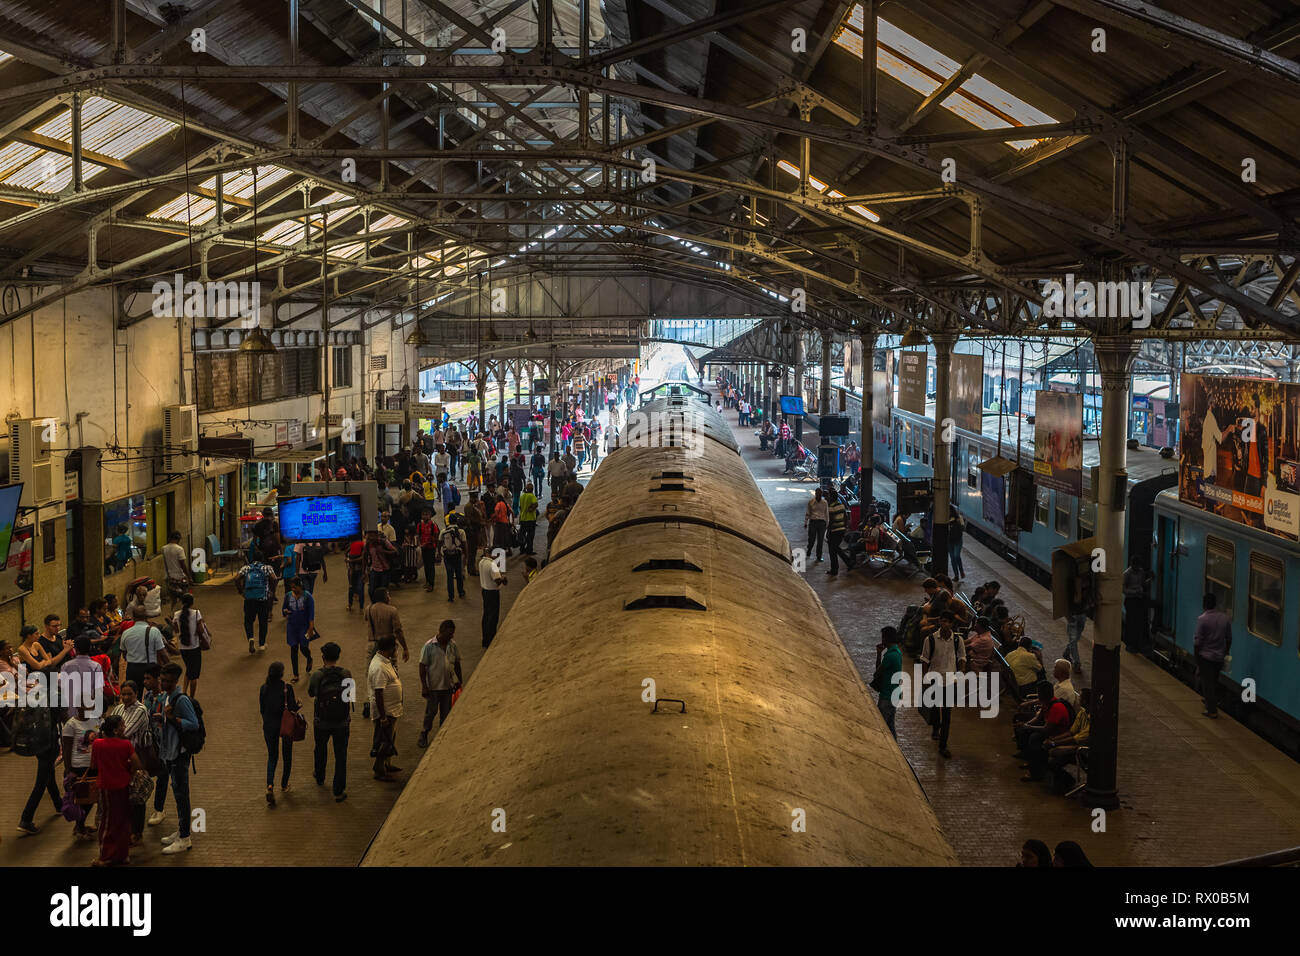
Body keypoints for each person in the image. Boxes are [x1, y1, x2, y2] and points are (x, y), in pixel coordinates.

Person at [147, 663, 199, 855]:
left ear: (176, 681)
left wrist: (174, 719)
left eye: (168, 681)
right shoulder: (166, 696)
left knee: (181, 795)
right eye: (163, 680)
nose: (165, 684)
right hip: (169, 752)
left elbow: (193, 723)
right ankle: (181, 831)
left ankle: (185, 838)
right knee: (177, 794)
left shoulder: (181, 700)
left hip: (179, 753)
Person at [88, 713, 142, 866]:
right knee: (123, 820)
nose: (125, 727)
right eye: (123, 725)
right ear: (117, 730)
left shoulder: (98, 744)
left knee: (107, 821)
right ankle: (122, 855)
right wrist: (127, 769)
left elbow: (93, 766)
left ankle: (106, 856)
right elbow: (137, 764)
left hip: (106, 787)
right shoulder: (126, 745)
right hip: (123, 786)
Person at [108, 680, 151, 845]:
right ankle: (126, 828)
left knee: (136, 795)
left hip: (135, 758)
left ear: (136, 694)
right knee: (123, 796)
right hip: (119, 759)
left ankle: (137, 831)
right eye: (123, 694)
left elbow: (126, 732)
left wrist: (112, 733)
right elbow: (109, 727)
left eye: (129, 694)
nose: (125, 697)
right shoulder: (118, 708)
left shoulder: (141, 710)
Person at [308, 642, 352, 802]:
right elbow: (350, 697)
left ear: (323, 657)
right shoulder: (346, 673)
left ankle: (320, 775)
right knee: (341, 756)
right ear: (338, 656)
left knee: (320, 748)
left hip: (322, 721)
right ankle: (338, 791)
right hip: (342, 722)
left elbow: (311, 693)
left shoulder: (317, 675)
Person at [919, 612, 965, 759]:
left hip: (950, 682)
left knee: (947, 714)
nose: (944, 624)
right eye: (942, 621)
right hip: (934, 679)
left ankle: (943, 745)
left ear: (952, 623)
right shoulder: (930, 639)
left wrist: (961, 673)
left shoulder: (957, 640)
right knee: (934, 708)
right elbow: (925, 659)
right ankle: (935, 727)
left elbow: (962, 657)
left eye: (947, 622)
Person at [258, 661, 301, 806]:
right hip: (286, 726)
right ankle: (284, 784)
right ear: (281, 674)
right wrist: (298, 705)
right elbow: (292, 708)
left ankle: (270, 786)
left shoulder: (264, 688)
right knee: (287, 756)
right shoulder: (287, 688)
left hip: (269, 726)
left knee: (272, 757)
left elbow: (262, 709)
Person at [418, 620, 464, 748]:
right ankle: (424, 734)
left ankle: (442, 737)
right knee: (431, 712)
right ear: (441, 631)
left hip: (448, 687)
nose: (451, 636)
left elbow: (457, 664)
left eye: (452, 634)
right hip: (434, 688)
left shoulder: (452, 645)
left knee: (446, 713)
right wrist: (424, 685)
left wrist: (459, 681)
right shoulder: (429, 646)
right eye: (449, 634)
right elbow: (422, 666)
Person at [62, 703, 102, 840]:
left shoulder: (96, 721)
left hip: (93, 766)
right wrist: (68, 770)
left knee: (91, 798)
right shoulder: (71, 725)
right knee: (82, 798)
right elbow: (66, 749)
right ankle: (79, 827)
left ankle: (81, 825)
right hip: (78, 767)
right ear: (78, 707)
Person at [367, 636, 403, 781]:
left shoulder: (384, 662)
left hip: (391, 709)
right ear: (390, 649)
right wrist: (382, 717)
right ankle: (379, 768)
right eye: (395, 648)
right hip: (386, 712)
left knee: (390, 738)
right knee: (384, 741)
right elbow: (378, 692)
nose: (396, 650)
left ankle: (387, 764)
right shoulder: (379, 667)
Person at [1193, 591, 1232, 718]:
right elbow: (1229, 638)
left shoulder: (1202, 619)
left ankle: (1212, 710)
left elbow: (1198, 642)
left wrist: (1197, 657)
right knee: (1214, 681)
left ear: (1204, 604)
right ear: (1215, 604)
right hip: (1219, 657)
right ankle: (1210, 700)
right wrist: (1226, 651)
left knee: (1207, 683)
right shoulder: (1224, 618)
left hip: (1206, 657)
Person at [236, 551, 278, 655]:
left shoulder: (246, 568)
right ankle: (262, 644)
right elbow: (274, 578)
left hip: (249, 599)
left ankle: (251, 638)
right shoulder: (267, 568)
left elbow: (236, 578)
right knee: (263, 621)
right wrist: (272, 590)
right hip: (262, 599)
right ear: (262, 558)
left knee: (248, 621)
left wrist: (241, 591)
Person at [119, 609, 170, 689]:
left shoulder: (126, 633)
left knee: (135, 695)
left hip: (132, 669)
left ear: (133, 618)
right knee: (152, 694)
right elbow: (163, 653)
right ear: (146, 617)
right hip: (150, 669)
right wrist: (170, 668)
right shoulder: (154, 631)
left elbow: (124, 654)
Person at [171, 593, 206, 699]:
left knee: (189, 669)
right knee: (194, 675)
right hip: (194, 647)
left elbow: (176, 630)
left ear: (182, 602)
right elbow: (201, 630)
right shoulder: (196, 613)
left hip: (183, 648)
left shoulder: (177, 614)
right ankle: (191, 697)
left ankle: (184, 691)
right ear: (192, 603)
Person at [364, 588, 408, 671]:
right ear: (385, 597)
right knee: (391, 673)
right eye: (388, 595)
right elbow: (398, 631)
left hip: (372, 645)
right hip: (388, 647)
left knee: (371, 672)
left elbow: (366, 619)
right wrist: (405, 648)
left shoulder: (368, 609)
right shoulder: (392, 610)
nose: (390, 598)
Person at [281, 577, 317, 682]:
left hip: (304, 626)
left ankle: (309, 658)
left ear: (300, 585)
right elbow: (283, 610)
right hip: (292, 626)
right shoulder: (288, 596)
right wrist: (285, 611)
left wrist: (311, 627)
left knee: (303, 648)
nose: (293, 589)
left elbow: (311, 614)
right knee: (293, 649)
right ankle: (296, 675)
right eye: (291, 587)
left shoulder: (307, 597)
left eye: (294, 587)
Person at [872, 627, 903, 738]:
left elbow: (877, 673)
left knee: (882, 727)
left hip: (887, 695)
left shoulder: (890, 656)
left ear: (885, 638)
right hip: (894, 694)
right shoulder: (897, 652)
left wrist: (878, 654)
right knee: (890, 726)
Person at [1122, 556, 1153, 653]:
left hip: (1139, 600)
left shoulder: (1141, 572)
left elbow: (1143, 584)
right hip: (1130, 600)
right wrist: (1135, 591)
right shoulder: (1126, 574)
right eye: (1136, 565)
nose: (1137, 567)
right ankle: (1129, 644)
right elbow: (1123, 590)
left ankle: (1137, 644)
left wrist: (1150, 580)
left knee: (1138, 622)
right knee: (1131, 623)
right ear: (1132, 564)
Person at [478, 546, 508, 649]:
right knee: (493, 617)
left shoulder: (481, 562)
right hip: (492, 593)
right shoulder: (492, 565)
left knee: (486, 615)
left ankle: (485, 639)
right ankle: (491, 639)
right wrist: (503, 580)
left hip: (484, 591)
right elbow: (497, 581)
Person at [824, 488, 854, 577]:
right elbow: (845, 517)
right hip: (841, 530)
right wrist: (845, 528)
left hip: (834, 531)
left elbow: (831, 521)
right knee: (836, 548)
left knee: (832, 551)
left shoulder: (830, 508)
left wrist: (828, 532)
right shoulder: (841, 505)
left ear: (831, 497)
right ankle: (849, 562)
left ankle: (835, 570)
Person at [440, 515, 468, 602]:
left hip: (447, 555)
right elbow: (464, 544)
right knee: (459, 574)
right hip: (457, 555)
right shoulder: (461, 531)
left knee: (449, 576)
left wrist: (439, 553)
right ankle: (461, 592)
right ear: (456, 521)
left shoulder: (443, 531)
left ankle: (451, 596)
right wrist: (466, 555)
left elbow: (439, 543)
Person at [161, 530, 190, 610]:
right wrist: (189, 576)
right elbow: (182, 565)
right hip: (179, 578)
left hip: (169, 578)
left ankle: (174, 615)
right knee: (184, 598)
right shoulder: (179, 549)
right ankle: (181, 614)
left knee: (173, 599)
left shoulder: (163, 548)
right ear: (178, 539)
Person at [805, 487, 828, 564]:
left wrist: (827, 524)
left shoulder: (825, 503)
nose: (819, 495)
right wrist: (805, 522)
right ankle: (809, 549)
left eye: (820, 494)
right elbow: (808, 513)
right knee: (811, 539)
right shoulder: (811, 502)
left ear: (821, 494)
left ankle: (819, 556)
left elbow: (826, 514)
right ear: (815, 494)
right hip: (813, 522)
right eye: (817, 494)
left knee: (820, 541)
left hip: (822, 523)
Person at [345, 534, 366, 612]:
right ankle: (353, 605)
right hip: (356, 569)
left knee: (357, 588)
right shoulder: (357, 544)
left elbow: (363, 558)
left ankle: (359, 607)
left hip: (358, 570)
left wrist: (350, 561)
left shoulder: (361, 545)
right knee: (353, 588)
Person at [947, 505, 966, 581]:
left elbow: (963, 528)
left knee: (956, 556)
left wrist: (958, 523)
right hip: (949, 541)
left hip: (958, 540)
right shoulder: (944, 519)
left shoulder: (959, 517)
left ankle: (961, 571)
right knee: (952, 559)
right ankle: (956, 575)